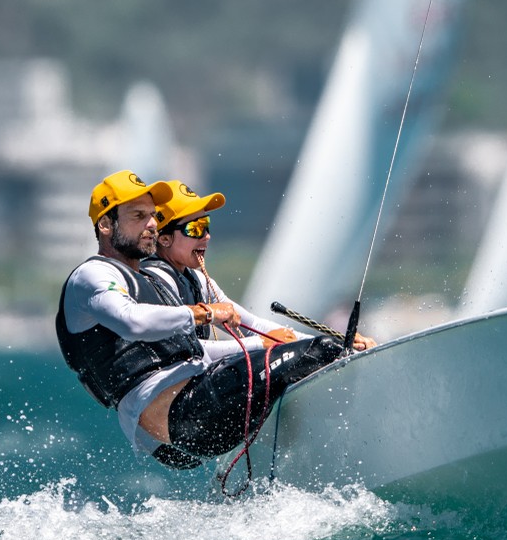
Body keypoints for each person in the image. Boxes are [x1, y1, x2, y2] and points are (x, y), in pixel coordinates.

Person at [56, 170, 342, 470]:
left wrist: (332, 341)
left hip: (191, 414)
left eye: (153, 216)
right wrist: (205, 313)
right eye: (138, 216)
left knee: (312, 355)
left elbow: (234, 328)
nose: (152, 224)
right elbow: (132, 322)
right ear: (105, 224)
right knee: (318, 354)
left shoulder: (149, 281)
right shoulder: (92, 276)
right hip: (183, 415)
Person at [142, 179, 376, 354]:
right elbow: (185, 350)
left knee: (314, 352)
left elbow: (252, 325)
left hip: (197, 387)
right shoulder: (153, 282)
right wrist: (261, 344)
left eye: (207, 225)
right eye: (195, 229)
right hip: (170, 403)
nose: (206, 236)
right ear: (164, 238)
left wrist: (334, 344)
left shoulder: (199, 280)